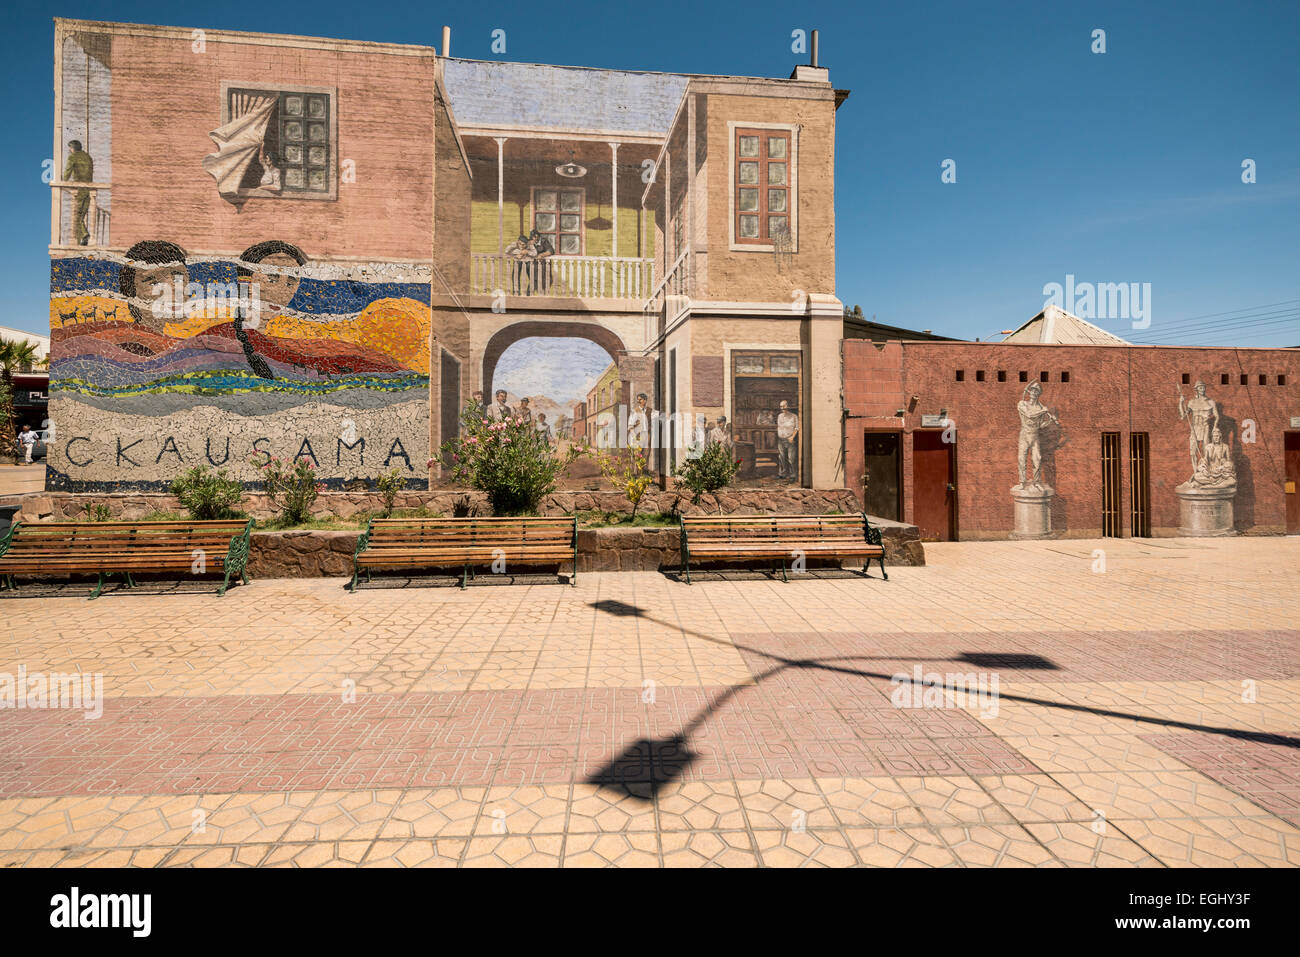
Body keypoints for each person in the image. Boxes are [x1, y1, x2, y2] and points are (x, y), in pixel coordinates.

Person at [1016, 382, 1059, 488]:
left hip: (1035, 435)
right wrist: (1042, 411)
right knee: (1022, 458)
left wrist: (1050, 420)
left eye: (1037, 391)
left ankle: (1036, 481)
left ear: (1039, 393)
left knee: (1037, 458)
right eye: (1033, 390)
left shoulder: (1040, 407)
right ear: (1029, 391)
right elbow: (1029, 415)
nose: (1034, 392)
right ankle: (1022, 482)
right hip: (1025, 434)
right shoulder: (1022, 404)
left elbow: (1040, 425)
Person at [1178, 381, 1219, 477]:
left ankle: (1207, 470)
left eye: (1203, 387)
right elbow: (1183, 416)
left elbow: (1217, 416)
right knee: (1193, 451)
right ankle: (1196, 472)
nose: (1202, 389)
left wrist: (1215, 427)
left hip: (1205, 427)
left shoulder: (1210, 402)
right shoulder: (1192, 402)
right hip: (1195, 428)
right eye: (1200, 387)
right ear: (1196, 389)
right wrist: (1181, 403)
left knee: (1206, 449)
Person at [64, 140, 94, 246]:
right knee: (81, 215)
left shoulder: (73, 157)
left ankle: (84, 234)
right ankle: (84, 237)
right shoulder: (88, 157)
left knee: (77, 215)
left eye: (70, 148)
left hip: (80, 189)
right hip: (88, 189)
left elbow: (68, 171)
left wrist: (63, 181)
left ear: (72, 148)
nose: (69, 150)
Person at [776, 400, 799, 481]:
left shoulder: (794, 416)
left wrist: (792, 437)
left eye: (784, 406)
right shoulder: (779, 416)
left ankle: (793, 475)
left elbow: (796, 428)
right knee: (781, 457)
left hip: (790, 439)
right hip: (781, 439)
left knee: (791, 458)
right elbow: (780, 427)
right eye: (781, 406)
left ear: (788, 406)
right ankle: (782, 474)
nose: (782, 408)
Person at [529, 229, 554, 294]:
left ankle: (543, 293)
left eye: (537, 237)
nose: (536, 239)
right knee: (535, 280)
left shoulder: (544, 241)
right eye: (534, 237)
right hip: (535, 265)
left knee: (546, 280)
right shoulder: (530, 242)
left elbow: (551, 251)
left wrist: (542, 254)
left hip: (544, 264)